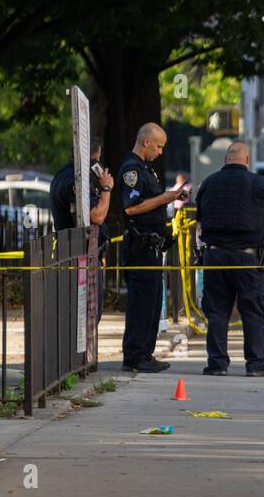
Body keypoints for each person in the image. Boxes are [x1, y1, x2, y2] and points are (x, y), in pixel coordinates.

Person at [192, 141, 264, 376]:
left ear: (225, 160)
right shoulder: (261, 184)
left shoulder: (208, 184)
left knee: (217, 311)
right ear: (247, 160)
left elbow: (199, 217)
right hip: (248, 258)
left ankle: (217, 364)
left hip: (215, 255)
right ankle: (256, 364)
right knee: (253, 311)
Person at [118, 123, 187, 373]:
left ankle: (145, 353)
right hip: (140, 247)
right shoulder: (131, 171)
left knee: (152, 303)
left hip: (152, 246)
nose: (160, 152)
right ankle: (135, 356)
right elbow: (131, 208)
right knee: (141, 303)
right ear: (146, 142)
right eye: (158, 146)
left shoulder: (146, 170)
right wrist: (165, 197)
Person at [50, 141, 115, 326]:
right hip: (78, 256)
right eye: (97, 160)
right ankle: (81, 356)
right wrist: (106, 188)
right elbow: (97, 215)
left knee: (89, 316)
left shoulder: (70, 176)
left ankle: (84, 355)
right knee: (86, 317)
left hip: (84, 254)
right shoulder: (72, 180)